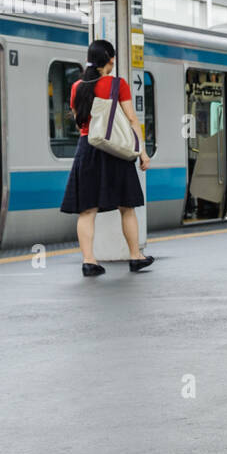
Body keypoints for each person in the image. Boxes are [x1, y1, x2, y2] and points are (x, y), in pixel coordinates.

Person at [60, 39, 154, 277]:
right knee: (127, 207)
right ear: (110, 60)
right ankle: (135, 257)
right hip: (115, 150)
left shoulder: (77, 87)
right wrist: (141, 151)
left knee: (87, 210)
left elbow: (78, 119)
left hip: (88, 148)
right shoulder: (117, 84)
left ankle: (89, 261)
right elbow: (132, 119)